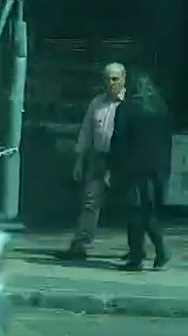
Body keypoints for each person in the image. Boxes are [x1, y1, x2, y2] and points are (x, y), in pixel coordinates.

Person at [109, 73, 174, 271]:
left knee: (136, 212)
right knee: (147, 211)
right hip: (156, 169)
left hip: (133, 168)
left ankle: (139, 256)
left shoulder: (127, 109)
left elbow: (118, 141)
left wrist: (112, 166)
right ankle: (156, 250)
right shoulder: (160, 108)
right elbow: (167, 141)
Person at [63, 62, 126, 260]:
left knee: (131, 203)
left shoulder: (130, 104)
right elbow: (86, 133)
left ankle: (137, 247)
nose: (111, 82)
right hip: (98, 158)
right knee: (90, 201)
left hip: (122, 160)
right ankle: (81, 242)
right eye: (108, 78)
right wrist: (79, 161)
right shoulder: (96, 103)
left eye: (115, 78)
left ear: (124, 79)